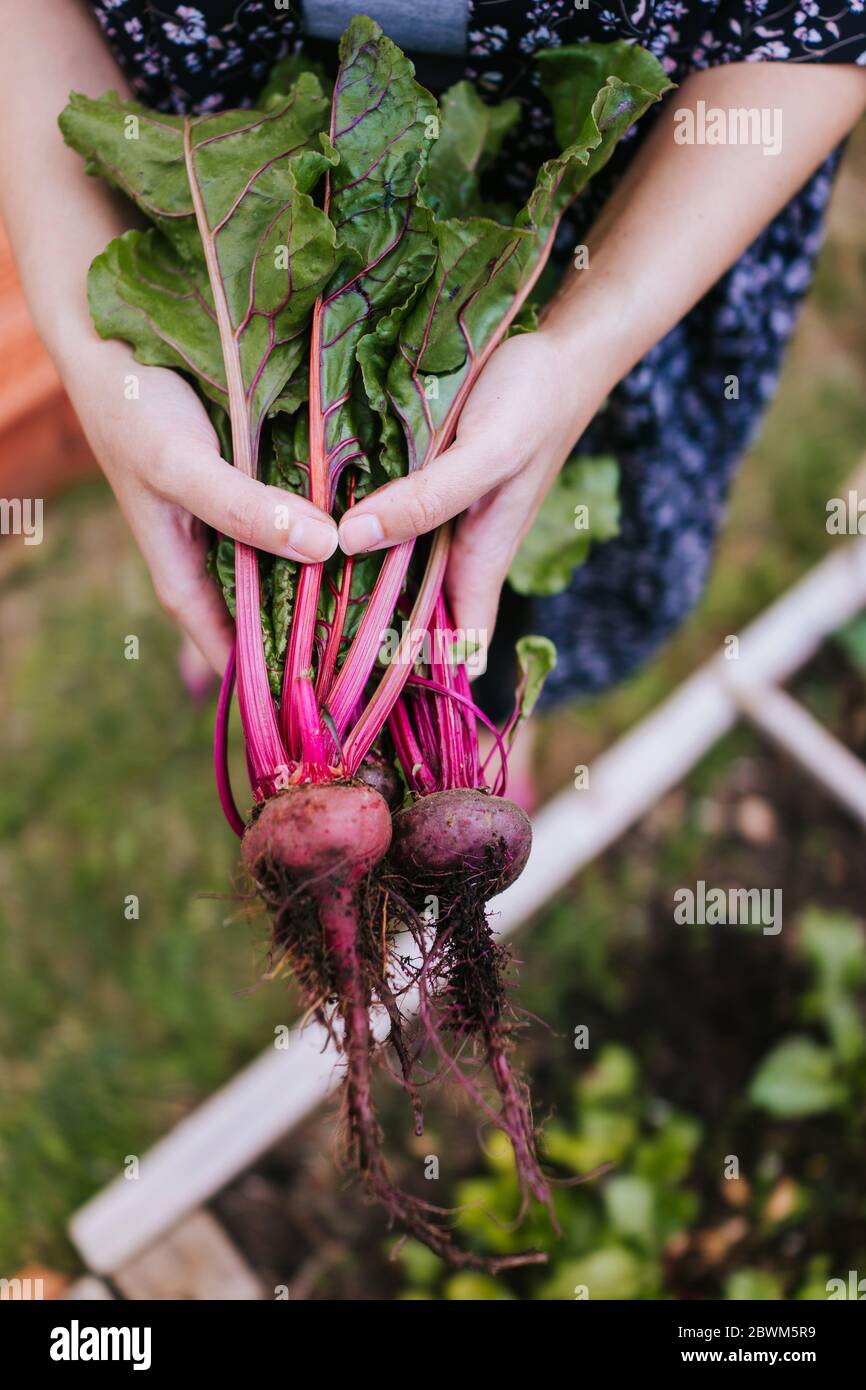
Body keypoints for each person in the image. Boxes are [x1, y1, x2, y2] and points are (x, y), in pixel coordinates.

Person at [2, 3, 865, 762]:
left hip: (630, 226)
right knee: (240, 489)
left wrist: (581, 354)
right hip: (231, 211)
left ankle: (471, 737)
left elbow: (827, 21)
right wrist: (98, 367)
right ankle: (300, 675)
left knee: (502, 550)